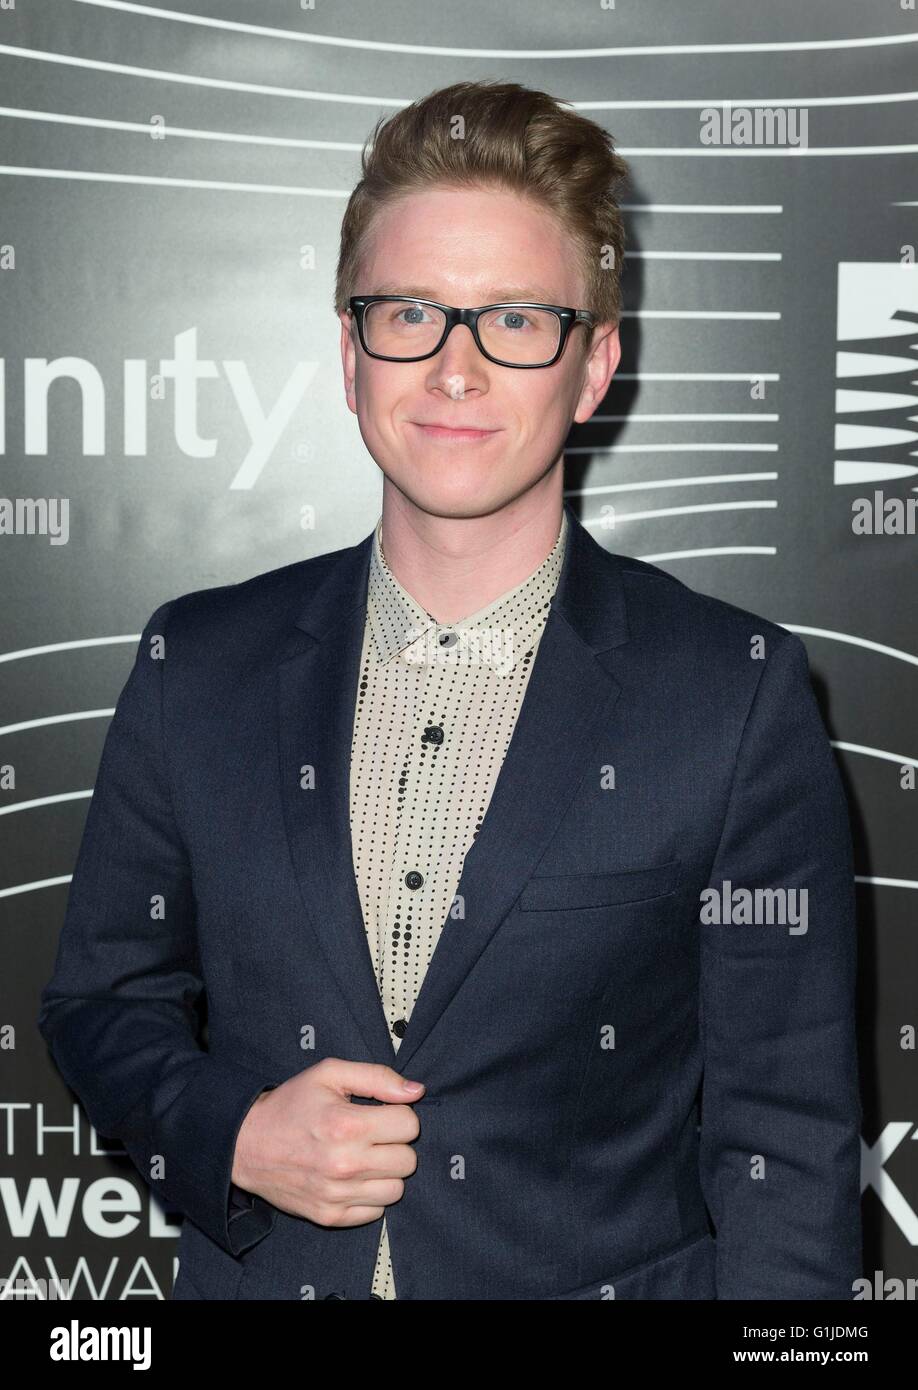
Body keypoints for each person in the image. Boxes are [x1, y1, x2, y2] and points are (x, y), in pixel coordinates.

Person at [38, 80, 862, 1301]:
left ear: (593, 367)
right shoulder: (196, 665)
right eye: (412, 312)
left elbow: (784, 1144)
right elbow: (103, 1001)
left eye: (518, 320)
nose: (457, 369)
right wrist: (234, 1133)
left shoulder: (731, 694)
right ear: (351, 352)